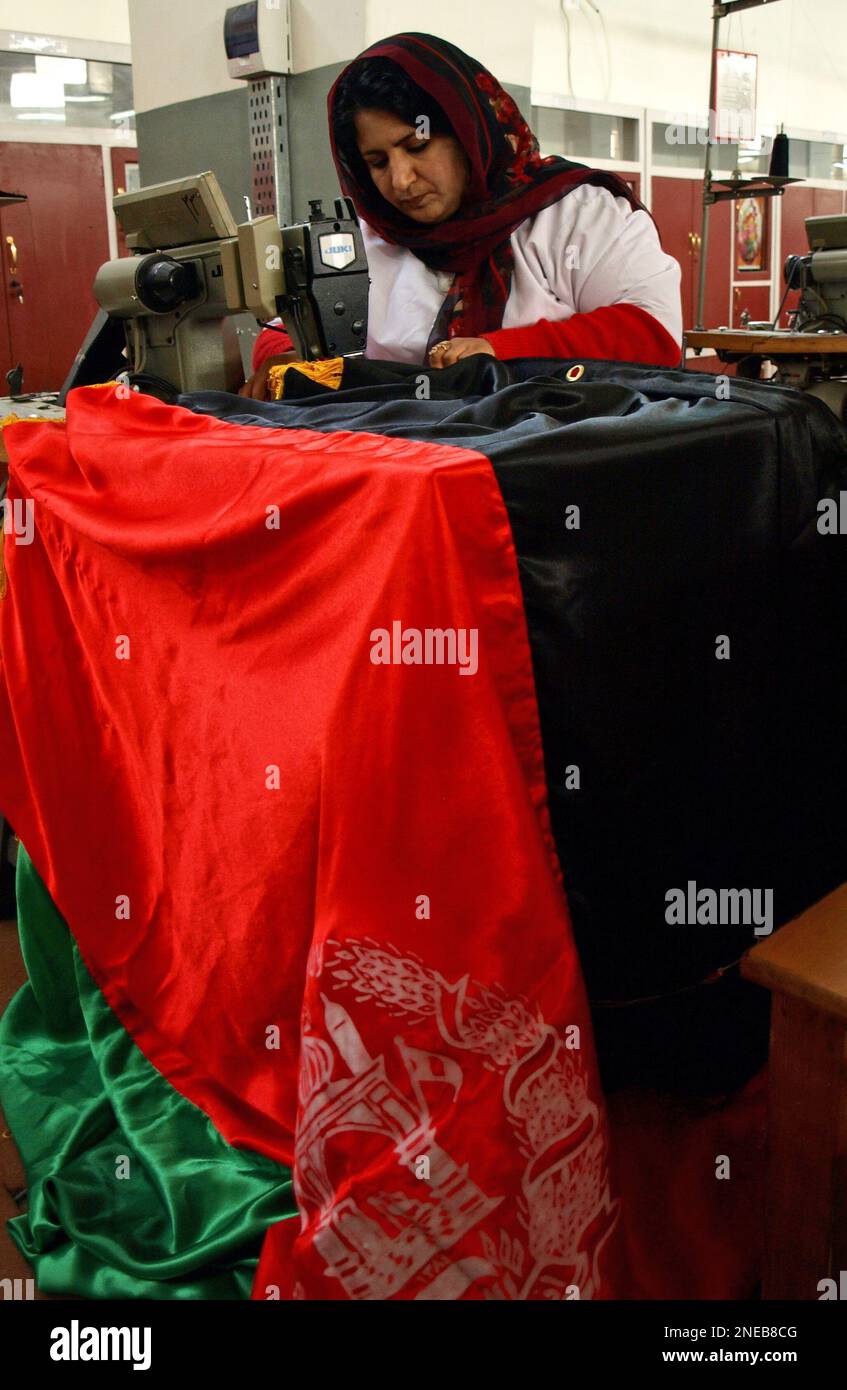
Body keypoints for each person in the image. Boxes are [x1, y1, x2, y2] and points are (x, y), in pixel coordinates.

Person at [240, 31, 682, 400]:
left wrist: (501, 350)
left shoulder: (575, 215)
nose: (401, 181)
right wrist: (286, 358)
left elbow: (652, 335)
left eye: (416, 147)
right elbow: (283, 330)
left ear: (467, 130)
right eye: (377, 162)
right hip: (410, 465)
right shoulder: (367, 241)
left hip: (552, 461)